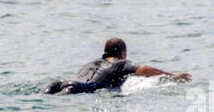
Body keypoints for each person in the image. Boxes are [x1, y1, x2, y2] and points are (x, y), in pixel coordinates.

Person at [43, 38, 190, 94]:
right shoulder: (121, 63)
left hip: (60, 82)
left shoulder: (90, 64)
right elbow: (143, 69)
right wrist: (172, 76)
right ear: (122, 53)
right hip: (76, 90)